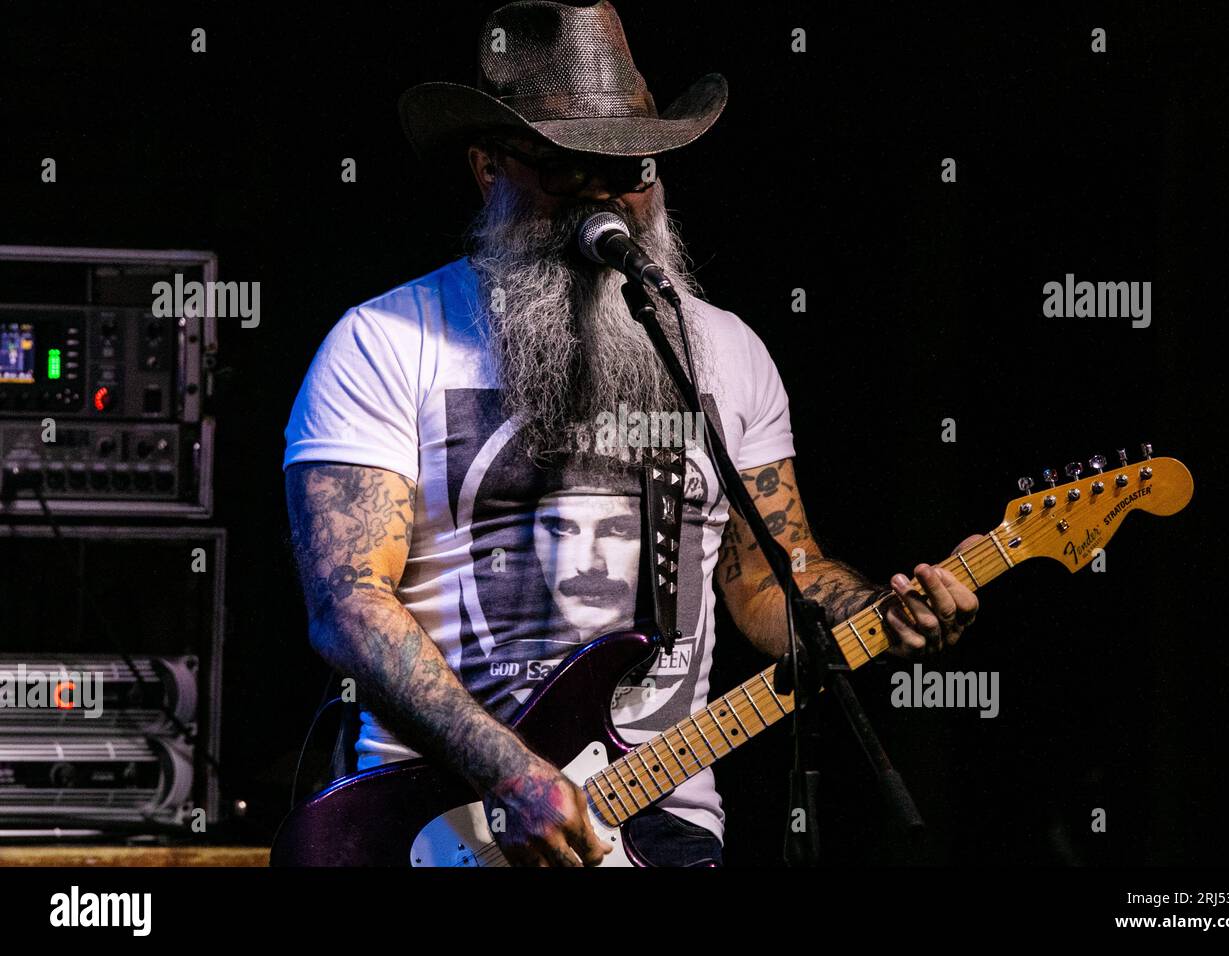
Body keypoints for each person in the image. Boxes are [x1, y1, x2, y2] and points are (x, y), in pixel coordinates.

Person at [283, 0, 980, 867]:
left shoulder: (725, 353)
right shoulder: (387, 342)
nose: (604, 199)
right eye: (568, 169)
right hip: (436, 820)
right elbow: (349, 604)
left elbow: (768, 577)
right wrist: (511, 771)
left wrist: (876, 610)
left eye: (633, 171)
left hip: (664, 817)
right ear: (487, 166)